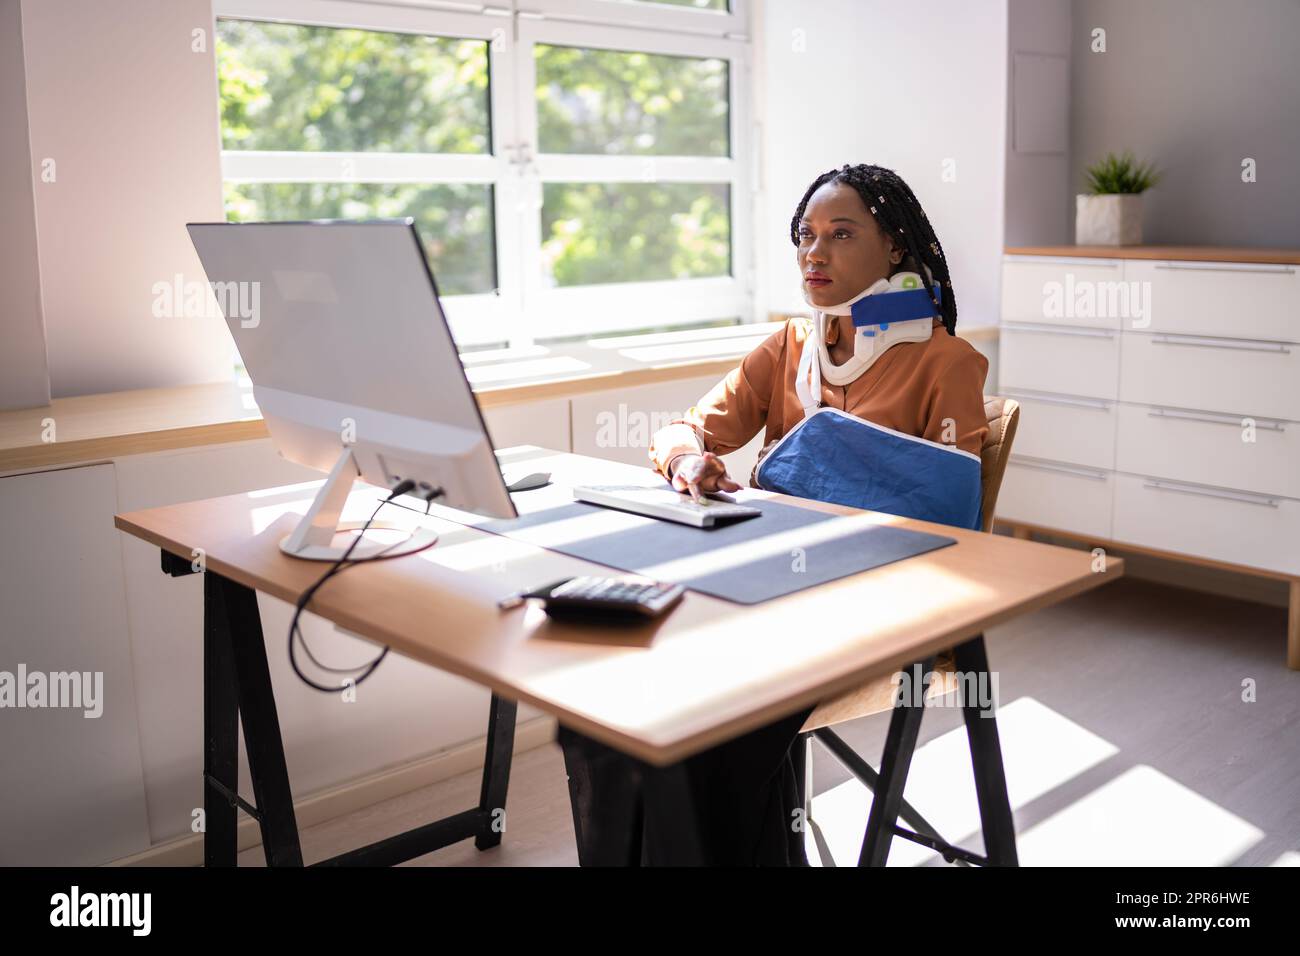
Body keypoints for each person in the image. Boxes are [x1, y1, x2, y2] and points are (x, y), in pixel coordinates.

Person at [557, 163, 990, 866]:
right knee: (604, 706)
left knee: (712, 725)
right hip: (764, 587)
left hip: (874, 607)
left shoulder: (947, 363)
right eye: (805, 236)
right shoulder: (788, 348)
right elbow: (683, 429)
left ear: (895, 248)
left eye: (841, 234)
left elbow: (949, 526)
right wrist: (687, 461)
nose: (814, 253)